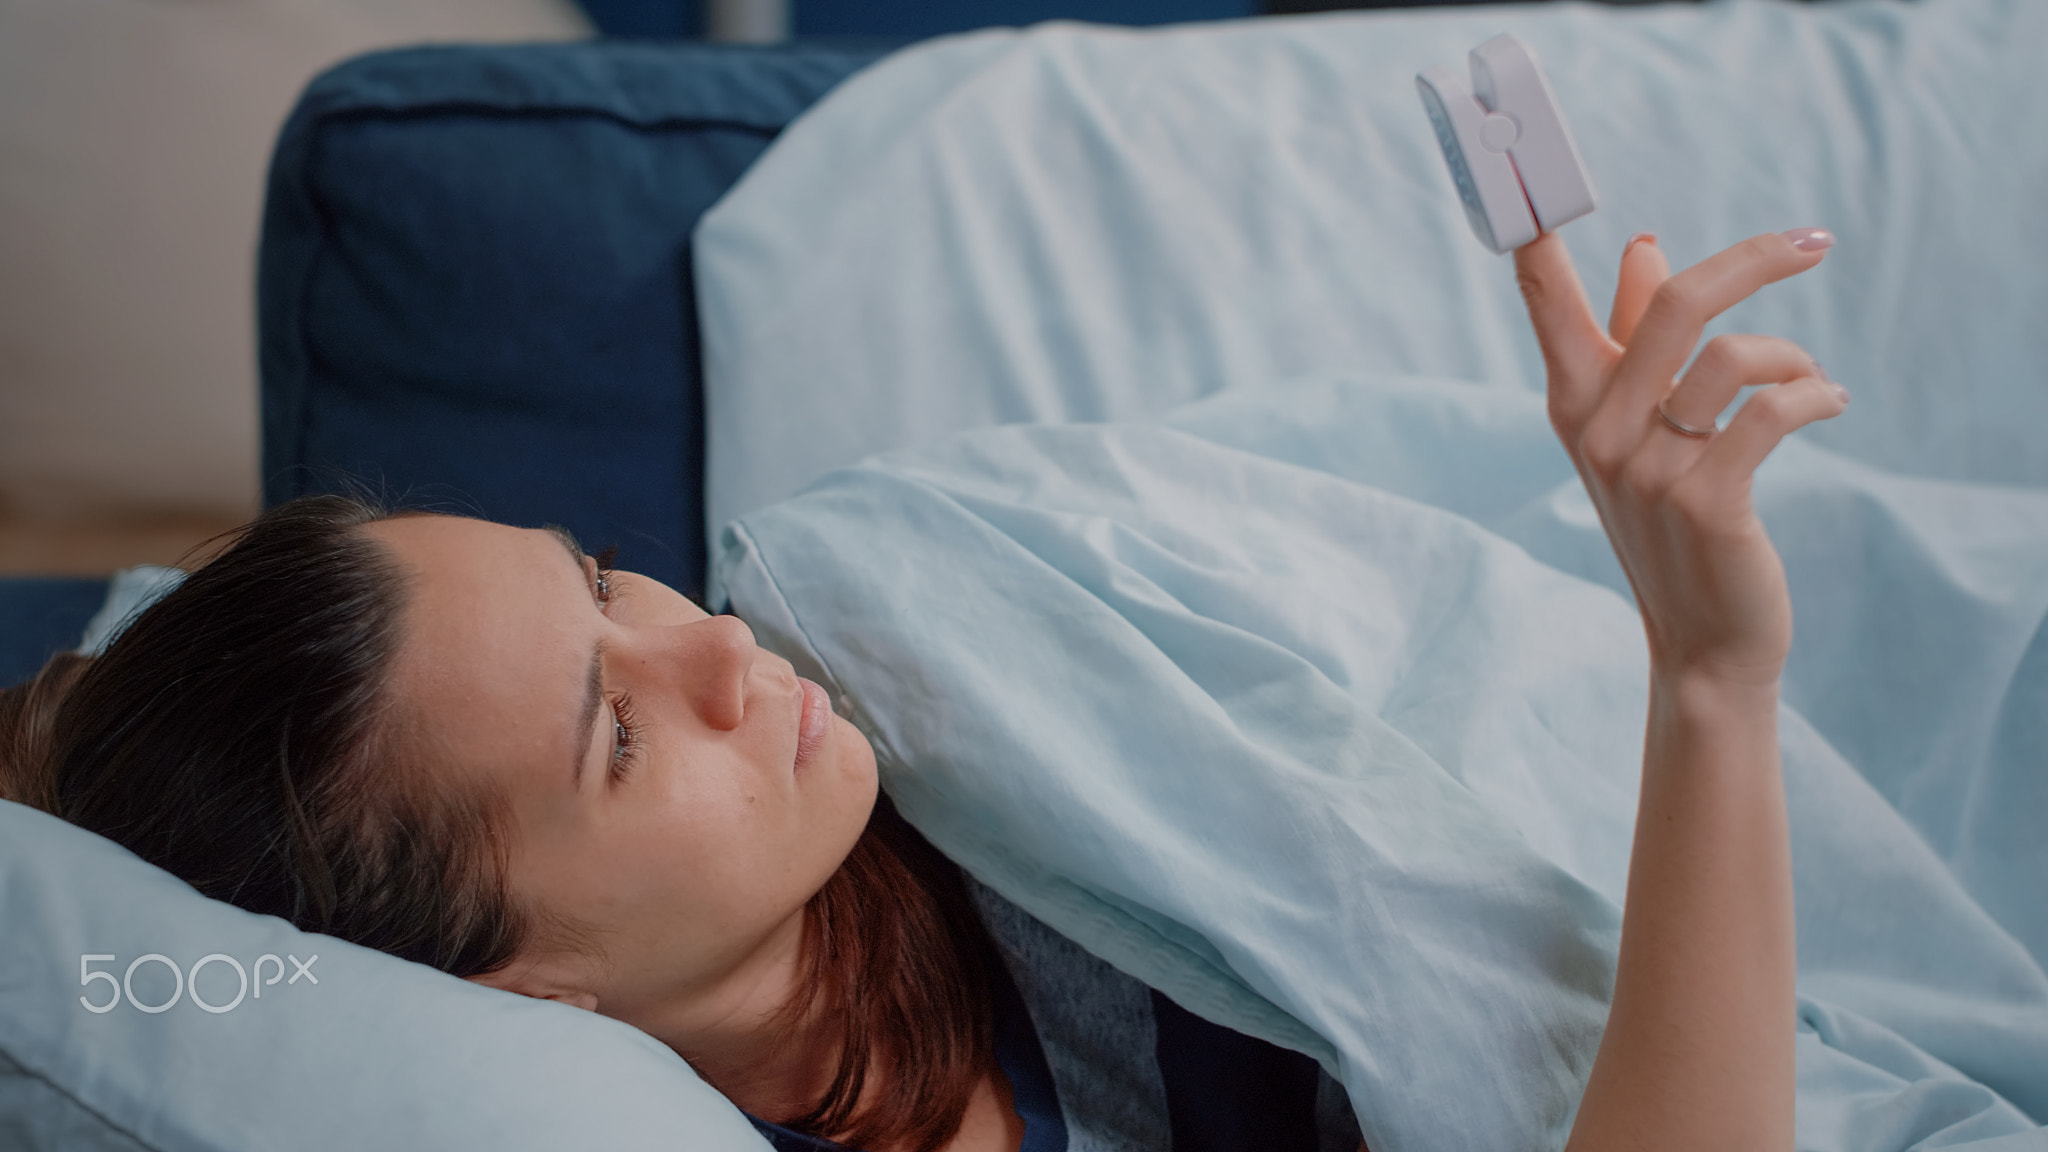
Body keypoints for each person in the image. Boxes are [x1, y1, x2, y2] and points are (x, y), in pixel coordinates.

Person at [0, 226, 1843, 1152]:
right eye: (617, 737)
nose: (722, 651)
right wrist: (1710, 676)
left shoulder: (953, 693)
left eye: (604, 582)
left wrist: (1703, 670)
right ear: (514, 982)